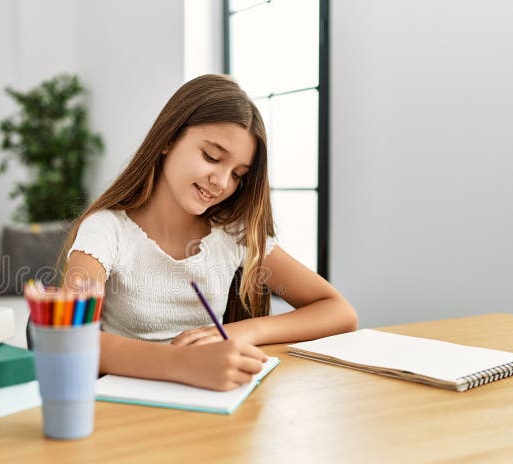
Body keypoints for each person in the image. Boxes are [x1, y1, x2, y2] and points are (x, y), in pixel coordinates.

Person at [60, 74, 357, 391]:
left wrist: (241, 332)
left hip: (211, 409)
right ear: (168, 140)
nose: (222, 182)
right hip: (127, 413)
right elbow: (67, 336)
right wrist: (185, 365)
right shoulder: (107, 231)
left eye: (237, 175)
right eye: (212, 157)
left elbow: (340, 312)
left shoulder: (234, 235)